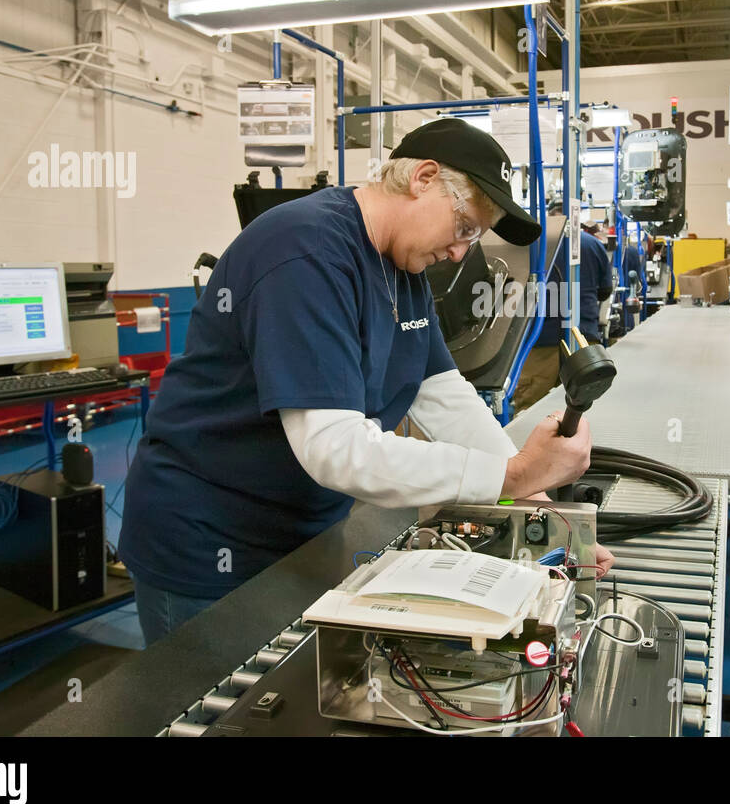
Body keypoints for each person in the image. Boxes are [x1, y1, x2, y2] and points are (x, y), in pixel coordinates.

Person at [120, 118, 614, 644]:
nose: (460, 252)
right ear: (422, 178)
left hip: (302, 530)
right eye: (466, 227)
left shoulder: (403, 268)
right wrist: (510, 476)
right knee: (217, 717)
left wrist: (539, 504)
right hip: (209, 541)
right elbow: (334, 447)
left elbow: (443, 395)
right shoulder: (306, 251)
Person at [511, 222, 613, 410]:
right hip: (583, 339)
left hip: (540, 341)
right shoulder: (592, 244)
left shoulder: (532, 244)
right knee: (583, 405)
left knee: (529, 407)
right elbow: (605, 291)